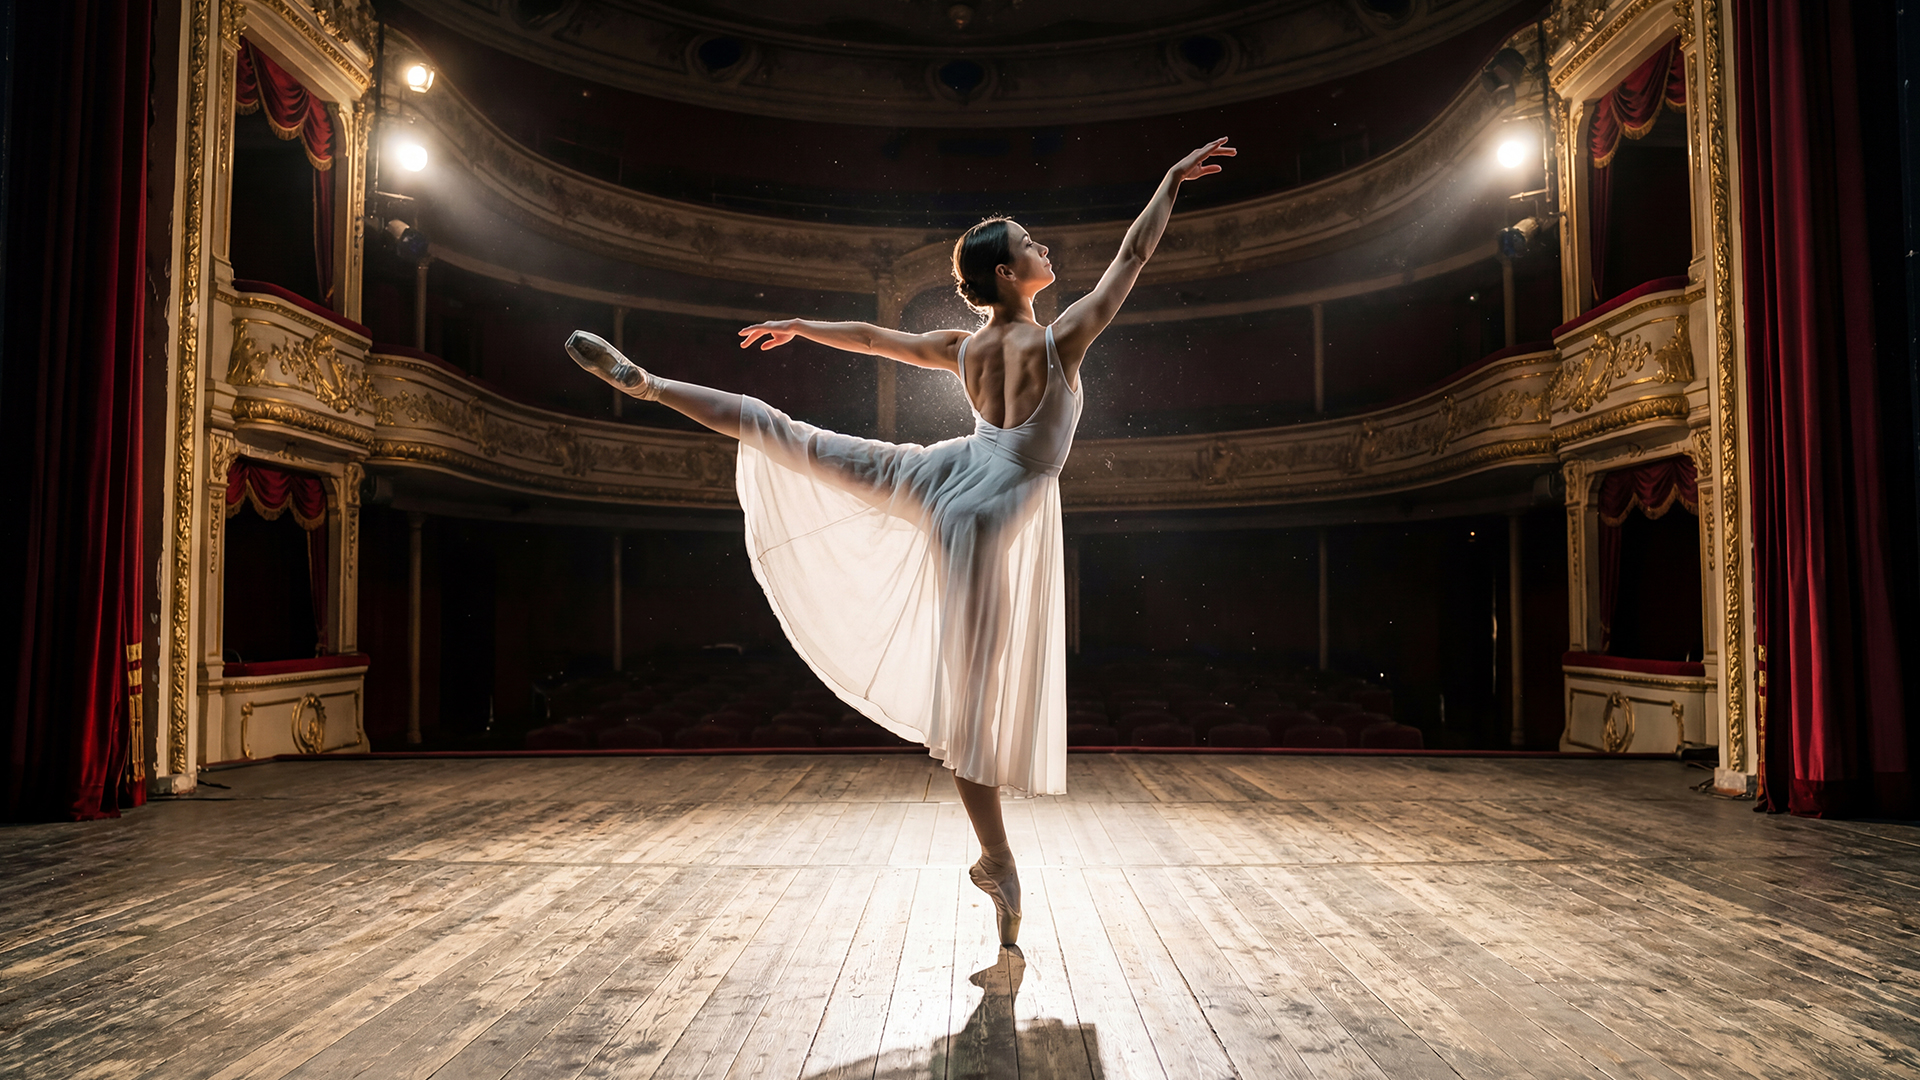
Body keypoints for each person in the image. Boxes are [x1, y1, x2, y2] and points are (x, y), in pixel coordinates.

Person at [567, 137, 1235, 945]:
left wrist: (801, 327)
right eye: (1031, 244)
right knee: (969, 715)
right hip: (979, 509)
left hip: (949, 474)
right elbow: (1132, 257)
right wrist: (1167, 181)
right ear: (1005, 274)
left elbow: (877, 339)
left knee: (789, 435)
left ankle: (650, 384)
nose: (1045, 247)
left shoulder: (965, 348)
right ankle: (996, 857)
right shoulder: (1061, 342)